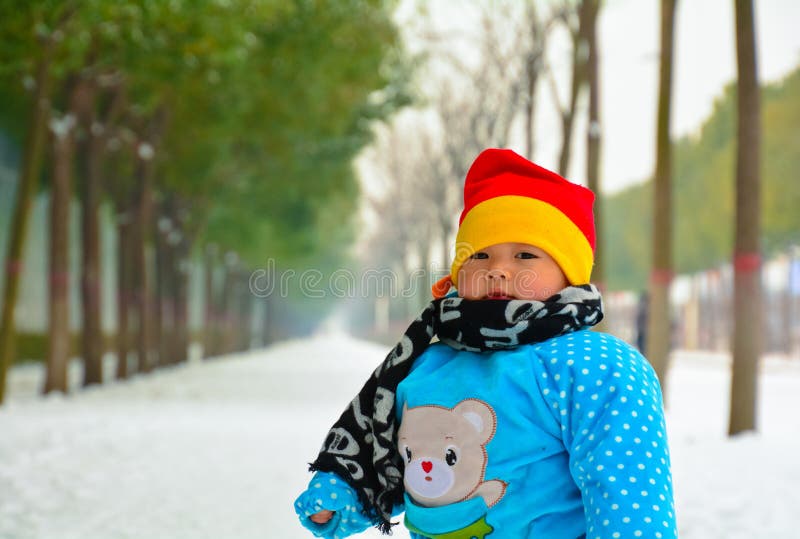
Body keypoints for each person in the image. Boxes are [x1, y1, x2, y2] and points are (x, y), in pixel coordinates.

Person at [294, 149, 677, 538]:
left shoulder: (594, 366)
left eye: (525, 254)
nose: (497, 269)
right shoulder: (428, 363)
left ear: (569, 274)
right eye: (479, 255)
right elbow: (389, 452)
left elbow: (627, 490)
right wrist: (341, 492)